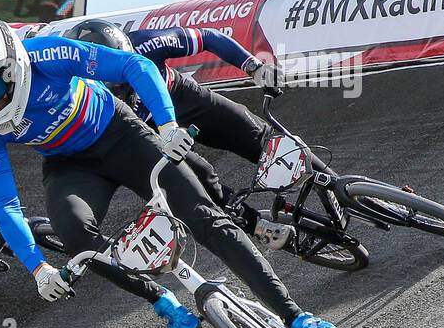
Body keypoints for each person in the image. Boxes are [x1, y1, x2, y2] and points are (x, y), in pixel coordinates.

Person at [0, 12, 340, 328]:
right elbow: (5, 202)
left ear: (11, 68)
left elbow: (135, 66)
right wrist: (38, 267)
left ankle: (295, 316)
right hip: (69, 166)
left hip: (121, 134)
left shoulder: (48, 55)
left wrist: (165, 124)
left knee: (204, 217)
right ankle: (161, 299)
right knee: (77, 238)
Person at [61, 18, 315, 252]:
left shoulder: (145, 42)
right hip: (144, 131)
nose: (122, 81)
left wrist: (253, 66)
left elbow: (207, 37)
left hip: (181, 97)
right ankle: (255, 224)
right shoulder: (76, 90)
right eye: (112, 80)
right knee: (200, 175)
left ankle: (328, 179)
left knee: (255, 133)